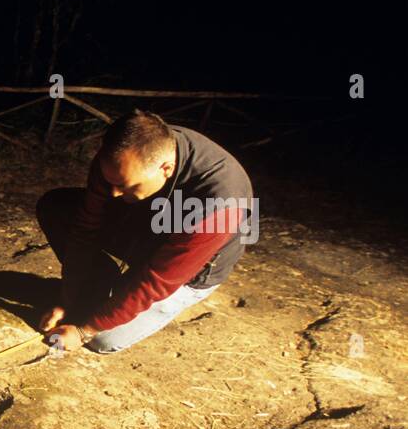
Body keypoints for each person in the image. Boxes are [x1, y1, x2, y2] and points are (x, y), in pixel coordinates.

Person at [34, 110, 255, 354]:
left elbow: (155, 281)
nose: (114, 193)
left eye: (124, 185)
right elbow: (84, 231)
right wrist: (72, 302)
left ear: (166, 168)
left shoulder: (222, 202)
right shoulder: (119, 159)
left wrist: (84, 330)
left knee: (103, 339)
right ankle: (98, 284)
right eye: (110, 182)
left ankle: (116, 298)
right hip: (148, 227)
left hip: (188, 269)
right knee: (55, 207)